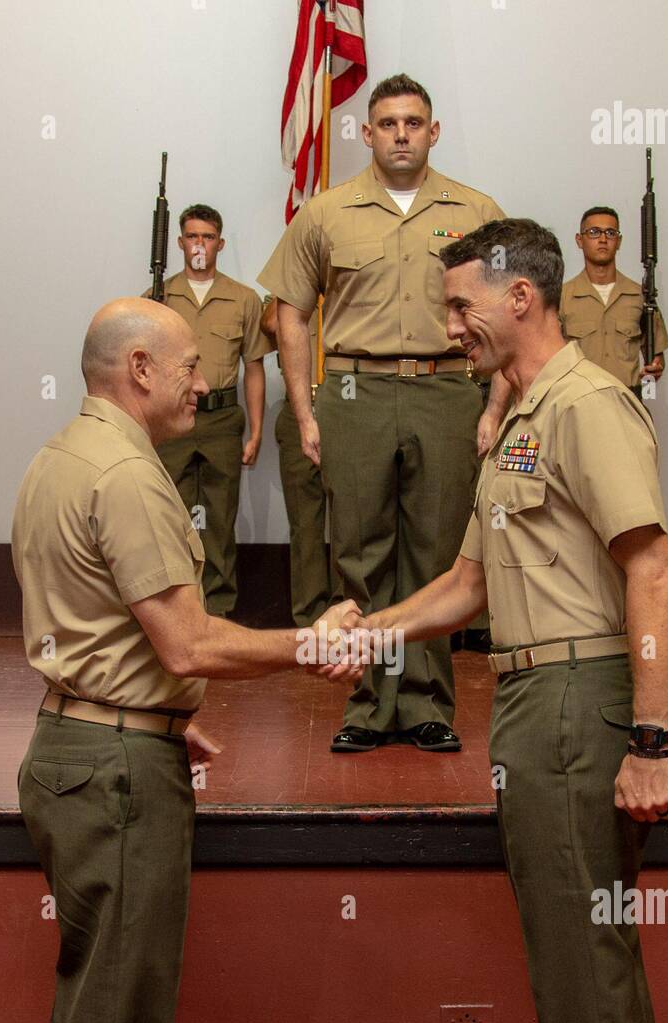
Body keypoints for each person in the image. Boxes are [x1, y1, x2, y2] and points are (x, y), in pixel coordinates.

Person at [10, 297, 364, 1023]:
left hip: (76, 742)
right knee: (119, 1015)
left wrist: (168, 714)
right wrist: (311, 642)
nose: (205, 382)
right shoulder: (129, 476)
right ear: (139, 368)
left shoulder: (60, 459)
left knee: (94, 1007)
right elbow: (190, 641)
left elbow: (88, 627)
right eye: (192, 366)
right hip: (114, 775)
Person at [359, 220, 668, 1023]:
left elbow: (656, 570)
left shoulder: (586, 404)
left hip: (582, 701)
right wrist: (368, 636)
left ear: (524, 298)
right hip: (532, 698)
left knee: (591, 978)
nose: (450, 328)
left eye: (462, 307)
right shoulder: (516, 420)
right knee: (565, 968)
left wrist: (651, 738)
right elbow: (468, 584)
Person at [259, 73, 510, 754]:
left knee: (434, 553)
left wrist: (494, 406)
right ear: (365, 133)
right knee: (360, 551)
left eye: (413, 122)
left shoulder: (475, 209)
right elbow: (289, 309)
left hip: (443, 391)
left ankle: (427, 704)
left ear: (433, 132)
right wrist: (306, 411)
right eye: (388, 123)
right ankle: (369, 703)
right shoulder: (325, 212)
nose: (401, 133)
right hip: (354, 394)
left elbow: (504, 309)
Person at [144, 204, 272, 614]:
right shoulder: (158, 298)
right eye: (193, 237)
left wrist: (255, 430)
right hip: (172, 421)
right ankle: (178, 610)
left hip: (221, 419)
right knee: (170, 516)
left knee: (219, 519)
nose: (200, 244)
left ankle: (217, 611)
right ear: (180, 243)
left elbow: (253, 367)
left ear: (220, 243)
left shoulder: (243, 299)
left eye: (208, 237)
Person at [261, 295, 332, 627]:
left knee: (355, 519)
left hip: (347, 405)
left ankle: (351, 611)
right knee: (305, 522)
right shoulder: (290, 296)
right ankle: (311, 618)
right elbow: (272, 323)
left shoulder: (348, 286)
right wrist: (296, 285)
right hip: (299, 407)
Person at [559, 206, 668, 399]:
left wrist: (655, 369)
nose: (603, 239)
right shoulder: (562, 297)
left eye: (610, 233)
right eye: (594, 232)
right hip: (578, 402)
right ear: (579, 240)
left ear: (619, 241)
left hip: (627, 400)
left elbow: (657, 353)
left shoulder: (639, 296)